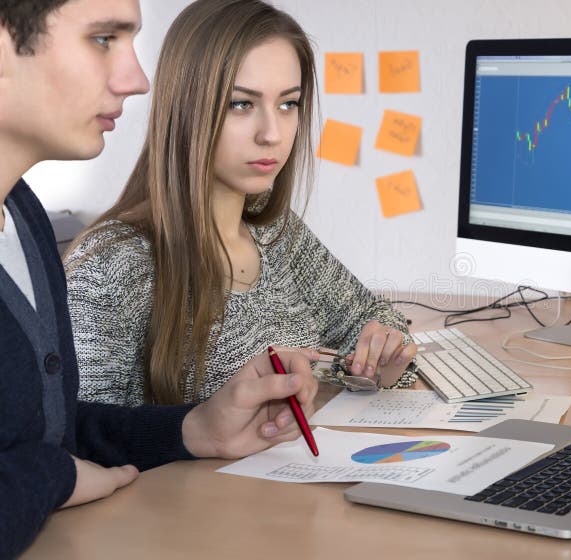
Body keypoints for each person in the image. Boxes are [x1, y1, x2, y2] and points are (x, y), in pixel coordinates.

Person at [0, 1, 317, 557]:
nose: (139, 80)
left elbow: (56, 433)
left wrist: (194, 428)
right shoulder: (112, 255)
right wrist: (59, 476)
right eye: (103, 39)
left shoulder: (21, 218)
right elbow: (54, 462)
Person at [64, 0, 419, 408]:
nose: (272, 133)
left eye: (288, 104)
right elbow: (81, 444)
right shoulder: (111, 263)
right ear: (187, 109)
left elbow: (371, 317)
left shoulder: (272, 229)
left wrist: (383, 355)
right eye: (241, 104)